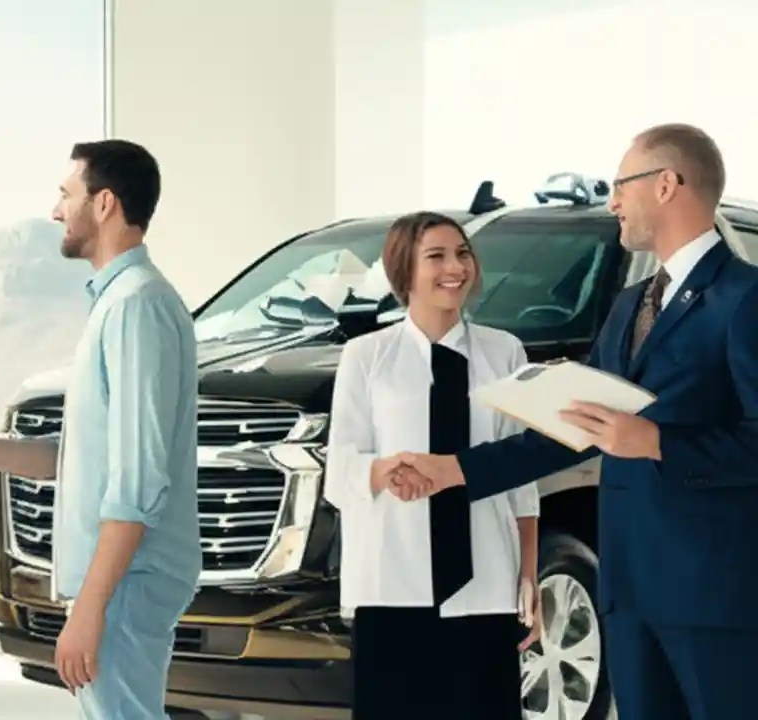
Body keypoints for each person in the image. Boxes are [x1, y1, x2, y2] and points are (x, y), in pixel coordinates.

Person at [399, 123, 758, 720]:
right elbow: (572, 428)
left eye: (623, 185)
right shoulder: (631, 301)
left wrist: (661, 443)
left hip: (714, 599)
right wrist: (453, 472)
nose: (614, 200)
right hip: (630, 593)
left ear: (666, 185)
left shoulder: (746, 298)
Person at [0, 139, 201, 719]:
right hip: (123, 579)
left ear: (104, 204)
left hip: (128, 580)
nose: (54, 211)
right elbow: (76, 460)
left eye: (65, 194)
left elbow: (138, 480)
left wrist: (91, 608)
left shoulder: (136, 307)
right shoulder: (119, 304)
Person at [321, 211, 542, 719]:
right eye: (436, 256)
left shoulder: (504, 352)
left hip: (485, 581)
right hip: (392, 584)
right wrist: (386, 471)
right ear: (404, 271)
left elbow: (520, 475)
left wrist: (529, 574)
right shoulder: (366, 356)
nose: (455, 267)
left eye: (462, 253)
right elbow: (340, 469)